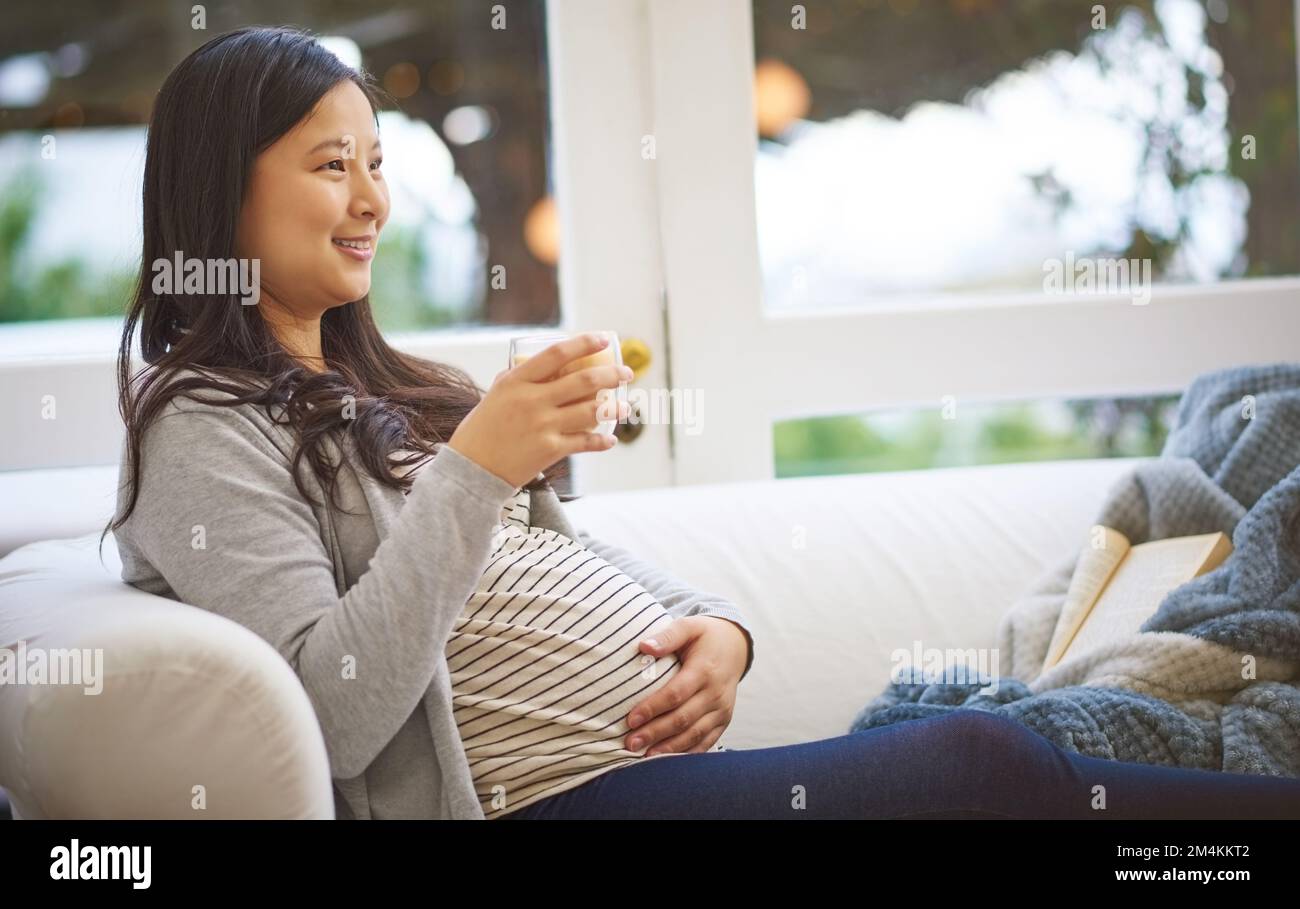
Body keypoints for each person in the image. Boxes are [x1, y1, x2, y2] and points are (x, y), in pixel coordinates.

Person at [106, 26, 1300, 821]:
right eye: (330, 165)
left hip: (653, 775)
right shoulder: (202, 428)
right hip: (542, 804)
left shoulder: (392, 386)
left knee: (1014, 762)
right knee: (985, 766)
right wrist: (475, 470)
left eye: (376, 161)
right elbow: (329, 715)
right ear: (224, 187)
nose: (371, 199)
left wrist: (716, 630)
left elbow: (561, 567)